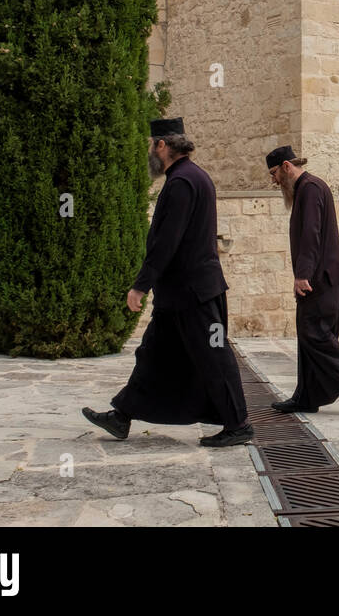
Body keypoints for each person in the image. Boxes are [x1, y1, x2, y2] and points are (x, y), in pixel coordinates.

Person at [82, 118, 253, 448]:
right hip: (182, 293)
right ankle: (122, 416)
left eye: (152, 144)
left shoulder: (180, 183)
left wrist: (140, 285)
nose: (150, 151)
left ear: (162, 145)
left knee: (214, 355)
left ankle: (238, 424)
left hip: (193, 294)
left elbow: (166, 242)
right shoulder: (195, 176)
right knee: (153, 355)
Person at [265, 145, 339, 414]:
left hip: (321, 277)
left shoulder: (311, 188)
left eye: (274, 173)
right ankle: (306, 397)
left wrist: (302, 274)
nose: (274, 180)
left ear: (286, 166)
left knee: (315, 333)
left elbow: (311, 234)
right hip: (322, 276)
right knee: (309, 336)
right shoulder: (308, 188)